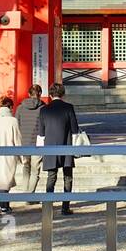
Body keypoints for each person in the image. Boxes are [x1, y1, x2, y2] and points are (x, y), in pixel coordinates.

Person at [39, 82, 80, 216]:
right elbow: (75, 130)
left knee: (51, 176)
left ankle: (48, 207)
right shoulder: (68, 107)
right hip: (66, 145)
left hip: (50, 146)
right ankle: (65, 207)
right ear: (63, 94)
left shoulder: (44, 110)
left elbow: (41, 132)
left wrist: (40, 150)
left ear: (50, 95)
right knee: (67, 176)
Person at [16, 83, 45, 194]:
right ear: (40, 94)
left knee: (26, 167)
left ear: (28, 94)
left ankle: (25, 192)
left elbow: (17, 125)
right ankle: (29, 195)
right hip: (38, 143)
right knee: (35, 171)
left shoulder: (20, 108)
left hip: (24, 142)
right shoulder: (43, 108)